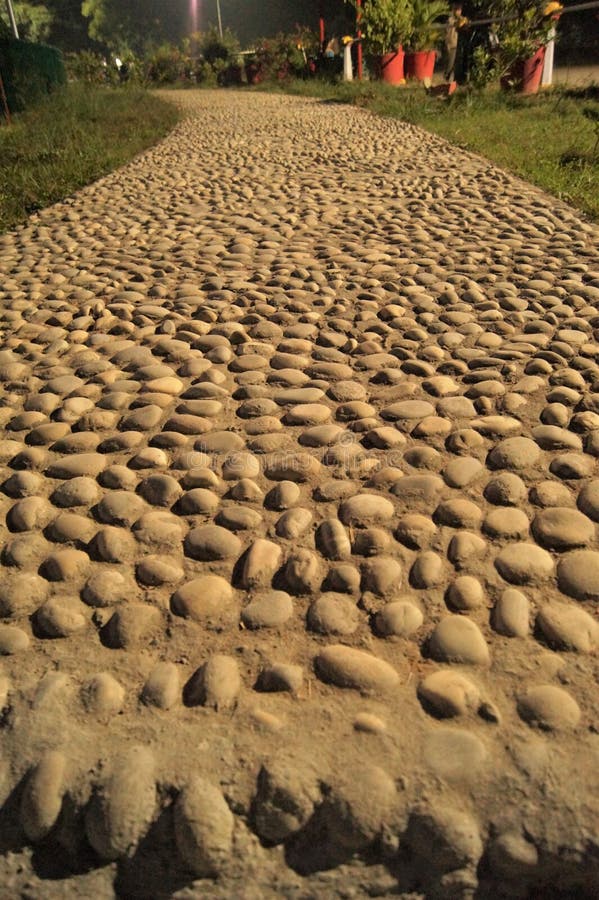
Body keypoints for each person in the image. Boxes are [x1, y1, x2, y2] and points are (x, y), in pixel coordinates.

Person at [445, 2, 468, 82]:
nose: (458, 12)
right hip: (451, 43)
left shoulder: (460, 18)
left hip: (458, 43)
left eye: (460, 10)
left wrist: (465, 21)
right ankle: (447, 76)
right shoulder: (450, 19)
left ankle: (455, 78)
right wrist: (463, 21)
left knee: (457, 62)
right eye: (457, 10)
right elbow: (457, 24)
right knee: (451, 62)